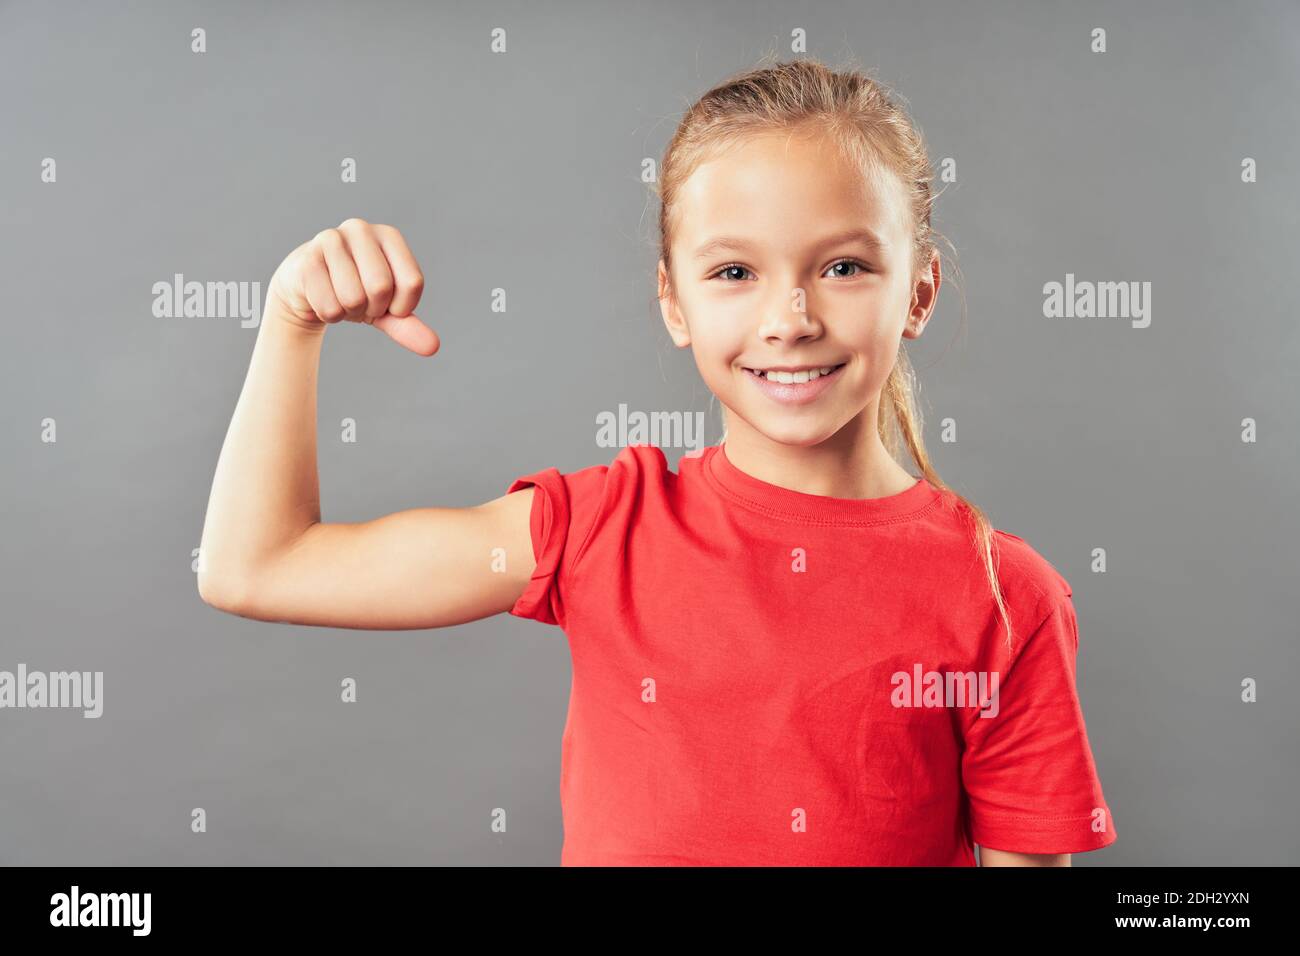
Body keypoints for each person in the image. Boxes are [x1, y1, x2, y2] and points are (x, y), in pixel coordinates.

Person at [198, 56, 1117, 867]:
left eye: (843, 267)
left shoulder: (1004, 597)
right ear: (674, 305)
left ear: (919, 293)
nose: (789, 318)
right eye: (733, 273)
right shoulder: (602, 527)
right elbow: (256, 568)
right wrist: (292, 322)